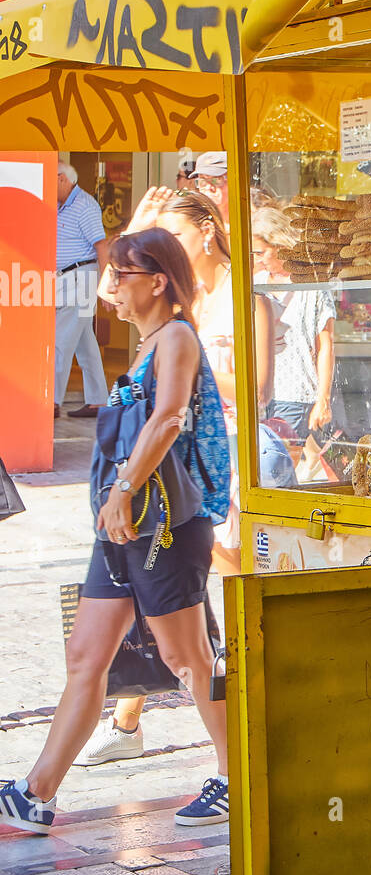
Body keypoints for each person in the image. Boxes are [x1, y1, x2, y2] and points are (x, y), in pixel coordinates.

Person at [0, 228, 232, 833]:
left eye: (121, 275)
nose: (110, 288)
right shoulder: (148, 344)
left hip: (165, 528)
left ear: (158, 281)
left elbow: (169, 418)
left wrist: (123, 490)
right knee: (87, 654)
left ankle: (237, 776)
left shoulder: (176, 337)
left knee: (188, 656)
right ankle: (36, 794)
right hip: (123, 528)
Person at [79, 188, 293, 766]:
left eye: (171, 232)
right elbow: (112, 290)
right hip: (164, 472)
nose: (165, 241)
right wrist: (138, 223)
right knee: (171, 606)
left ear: (206, 232)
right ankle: (129, 719)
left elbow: (256, 391)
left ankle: (251, 712)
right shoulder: (163, 311)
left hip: (221, 462)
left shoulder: (237, 303)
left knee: (218, 590)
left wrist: (181, 372)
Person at [253, 207, 339, 463]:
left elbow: (326, 345)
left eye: (261, 252)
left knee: (276, 467)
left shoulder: (311, 284)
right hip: (259, 394)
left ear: (280, 245)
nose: (257, 259)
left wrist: (323, 399)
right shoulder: (255, 282)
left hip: (295, 393)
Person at [55, 162, 110, 420]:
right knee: (85, 343)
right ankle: (98, 400)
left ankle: (51, 402)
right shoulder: (60, 205)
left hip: (81, 278)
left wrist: (106, 284)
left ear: (62, 179)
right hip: (69, 279)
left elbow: (101, 246)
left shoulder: (84, 205)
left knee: (61, 341)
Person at [188, 152, 230, 226]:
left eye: (216, 179)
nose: (208, 187)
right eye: (202, 181)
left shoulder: (249, 220)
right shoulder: (195, 221)